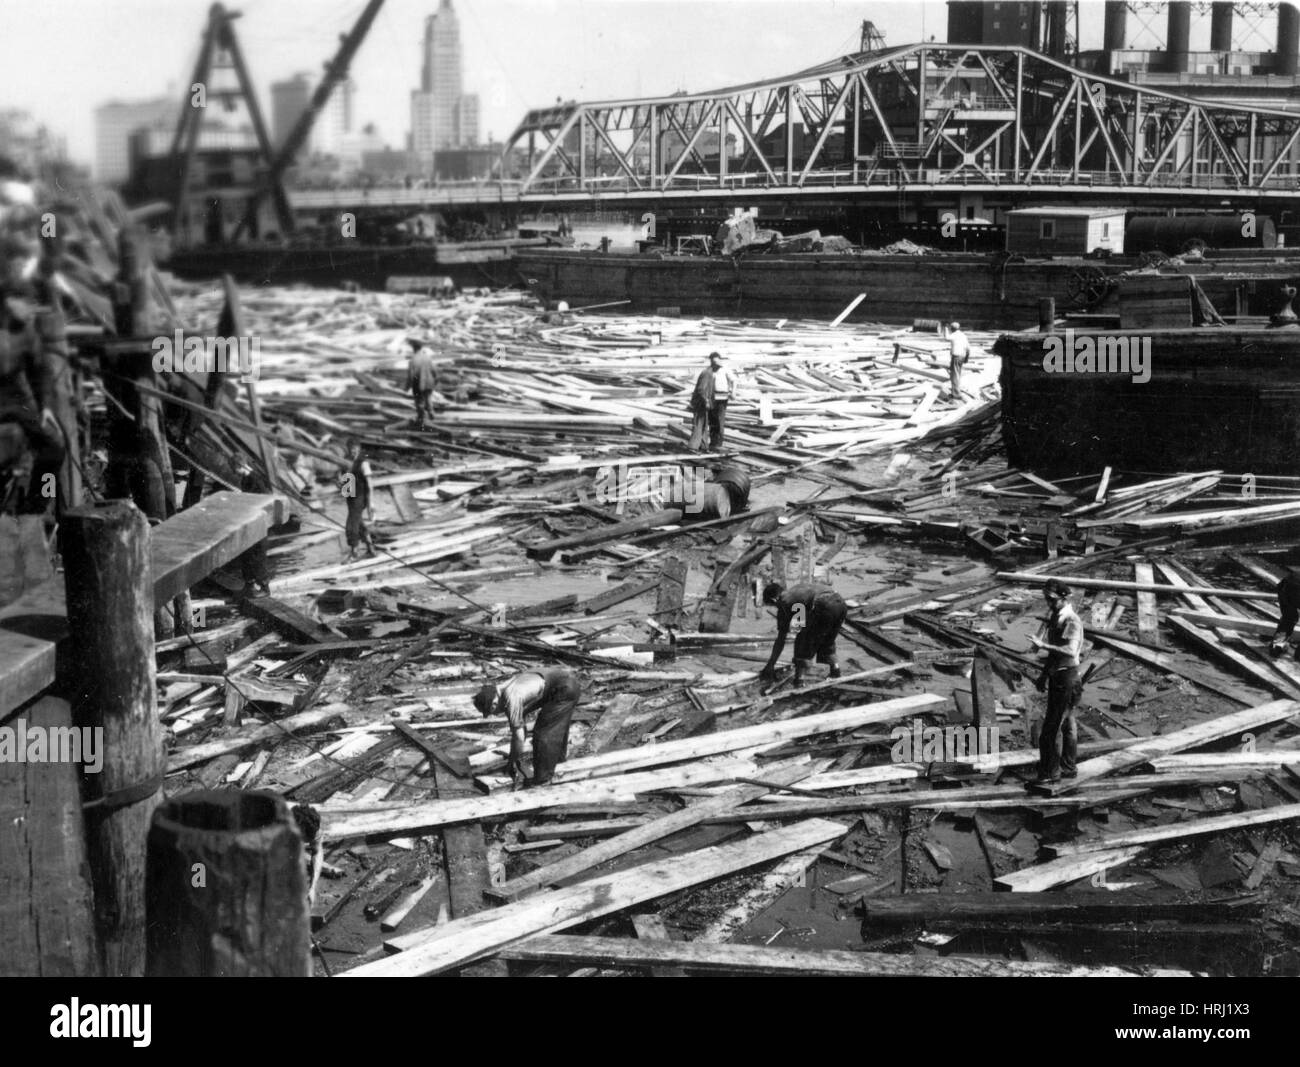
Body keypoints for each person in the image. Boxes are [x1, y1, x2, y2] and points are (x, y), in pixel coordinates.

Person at [473, 668, 582, 787]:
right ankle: (559, 762)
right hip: (566, 683)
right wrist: (516, 749)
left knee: (543, 734)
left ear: (494, 705)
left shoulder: (511, 698)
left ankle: (542, 780)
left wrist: (512, 760)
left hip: (563, 688)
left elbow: (518, 738)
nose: (493, 715)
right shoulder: (506, 688)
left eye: (490, 713)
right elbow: (521, 729)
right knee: (557, 725)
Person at [1029, 578, 1084, 786]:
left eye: (1051, 599)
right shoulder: (1056, 617)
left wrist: (1042, 644)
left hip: (1067, 678)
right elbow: (1054, 655)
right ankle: (1068, 768)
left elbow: (1070, 650)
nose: (1048, 603)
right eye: (1046, 599)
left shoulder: (1071, 620)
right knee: (1068, 723)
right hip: (1059, 675)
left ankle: (1049, 773)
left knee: (1050, 730)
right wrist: (1043, 676)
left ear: (1063, 598)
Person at [758, 581, 848, 688]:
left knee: (802, 640)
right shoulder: (796, 589)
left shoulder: (785, 602)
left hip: (824, 604)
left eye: (773, 605)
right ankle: (835, 671)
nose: (776, 608)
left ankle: (799, 680)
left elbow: (782, 639)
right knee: (827, 638)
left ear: (774, 600)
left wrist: (770, 665)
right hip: (840, 604)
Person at [235, 459, 271, 597]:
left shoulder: (256, 479)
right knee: (246, 553)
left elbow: (264, 499)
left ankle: (265, 588)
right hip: (250, 520)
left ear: (241, 466)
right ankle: (249, 584)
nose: (235, 474)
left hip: (259, 522)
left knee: (258, 555)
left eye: (236, 470)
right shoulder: (246, 479)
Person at [340, 438, 375, 561]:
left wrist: (371, 504)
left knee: (351, 525)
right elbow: (345, 480)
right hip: (350, 497)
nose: (352, 452)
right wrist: (341, 487)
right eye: (350, 450)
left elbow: (370, 484)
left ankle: (354, 552)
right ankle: (371, 549)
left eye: (354, 449)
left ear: (359, 449)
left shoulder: (363, 463)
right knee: (359, 522)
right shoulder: (346, 461)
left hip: (360, 497)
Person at [689, 351, 731, 452]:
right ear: (712, 364)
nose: (719, 367)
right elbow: (701, 390)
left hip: (704, 402)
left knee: (704, 425)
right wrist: (706, 401)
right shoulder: (707, 373)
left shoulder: (711, 373)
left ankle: (703, 446)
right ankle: (693, 447)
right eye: (716, 364)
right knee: (699, 424)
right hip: (700, 403)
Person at [1268, 570, 1300, 657]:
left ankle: (1276, 647)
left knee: (1288, 619)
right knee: (1290, 619)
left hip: (1285, 586)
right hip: (1293, 587)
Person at [406, 339, 436, 430]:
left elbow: (411, 375)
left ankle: (421, 418)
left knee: (419, 401)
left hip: (418, 383)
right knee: (428, 398)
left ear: (414, 349)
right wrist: (435, 378)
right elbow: (433, 370)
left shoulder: (413, 359)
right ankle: (431, 412)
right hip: (429, 382)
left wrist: (407, 386)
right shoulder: (427, 357)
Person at [947, 321, 969, 400]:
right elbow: (967, 347)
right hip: (962, 356)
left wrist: (945, 329)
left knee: (954, 375)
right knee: (958, 374)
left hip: (956, 356)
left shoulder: (954, 334)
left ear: (952, 328)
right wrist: (967, 357)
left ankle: (956, 394)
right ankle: (955, 391)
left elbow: (946, 337)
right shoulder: (963, 335)